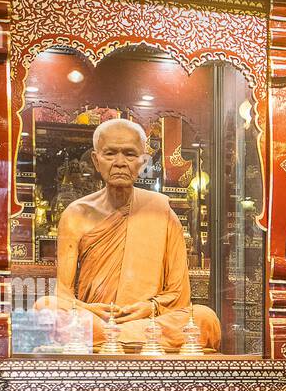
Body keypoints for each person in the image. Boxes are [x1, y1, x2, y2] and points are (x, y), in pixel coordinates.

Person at [33, 118, 221, 350]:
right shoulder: (76, 214)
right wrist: (90, 310)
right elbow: (63, 295)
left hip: (148, 319)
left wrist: (150, 307)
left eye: (130, 155)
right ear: (96, 159)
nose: (120, 163)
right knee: (46, 309)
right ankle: (128, 339)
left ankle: (114, 338)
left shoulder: (162, 212)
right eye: (110, 154)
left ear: (142, 161)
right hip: (97, 318)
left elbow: (177, 295)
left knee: (205, 318)